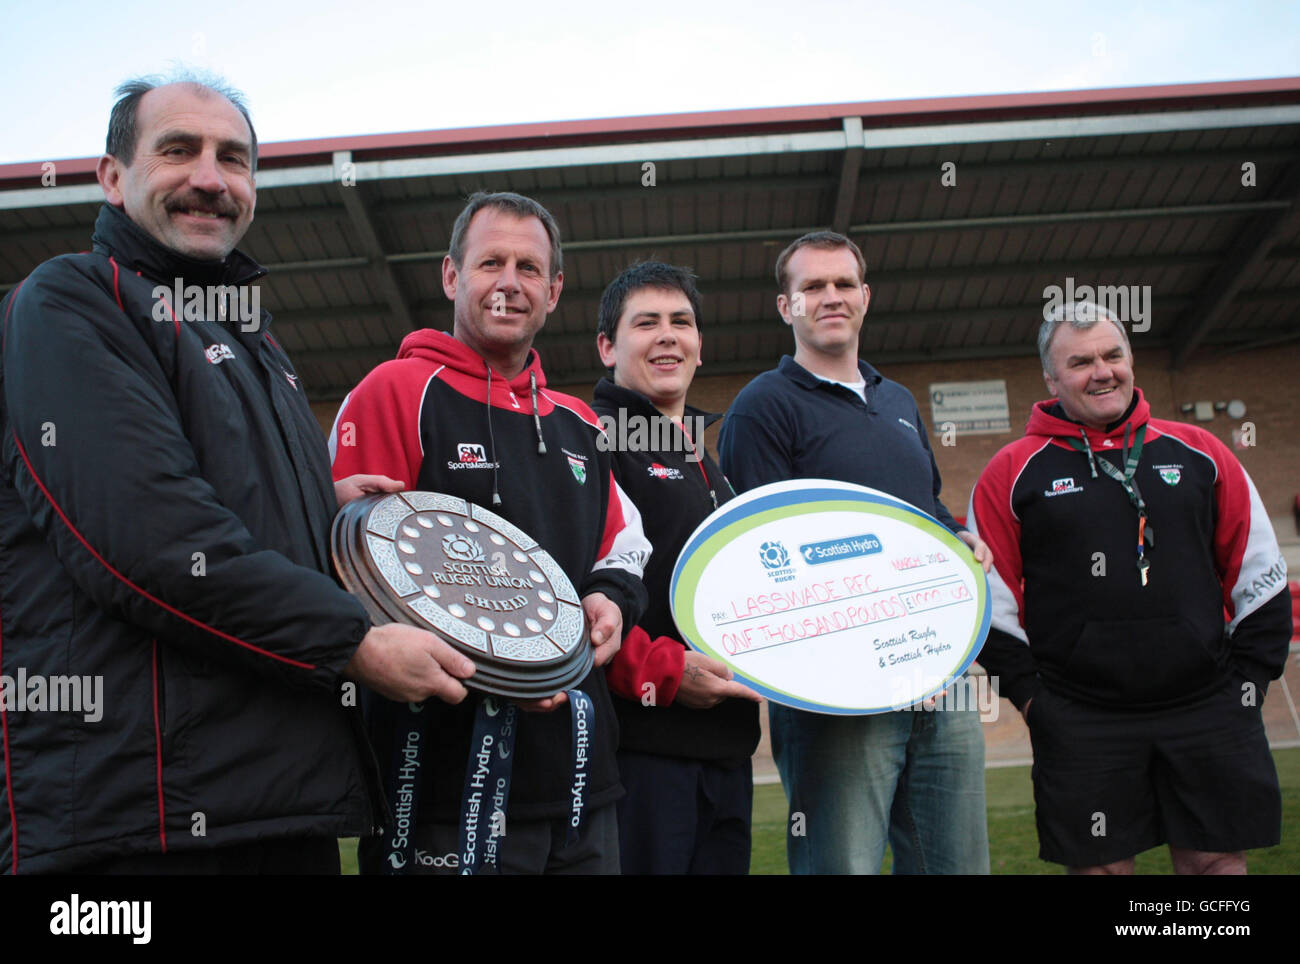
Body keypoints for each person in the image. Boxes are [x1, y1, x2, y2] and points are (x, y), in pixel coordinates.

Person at [0, 75, 474, 875]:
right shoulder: (72, 300)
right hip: (139, 818)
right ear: (113, 177)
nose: (211, 179)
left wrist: (326, 513)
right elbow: (151, 540)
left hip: (284, 800)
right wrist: (353, 641)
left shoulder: (259, 345)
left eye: (234, 159)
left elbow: (227, 511)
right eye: (178, 150)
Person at [329, 191, 650, 874]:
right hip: (441, 786)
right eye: (490, 263)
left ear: (555, 290)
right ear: (451, 276)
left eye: (529, 269)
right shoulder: (392, 391)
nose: (509, 284)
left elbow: (623, 544)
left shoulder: (580, 425)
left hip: (579, 785)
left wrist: (611, 600)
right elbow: (346, 561)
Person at [969, 301, 1290, 875]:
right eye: (1080, 362)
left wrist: (1246, 683)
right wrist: (1034, 700)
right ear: (1050, 378)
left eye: (1113, 355)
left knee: (1216, 865)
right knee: (1101, 869)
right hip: (1081, 716)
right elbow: (989, 599)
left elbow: (1259, 570)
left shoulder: (1200, 452)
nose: (1102, 371)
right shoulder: (1011, 471)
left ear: (1131, 360)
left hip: (1207, 704)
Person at [718, 230, 992, 875]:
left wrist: (957, 540)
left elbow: (924, 509)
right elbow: (756, 559)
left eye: (843, 283)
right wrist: (858, 662)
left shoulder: (896, 401)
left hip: (939, 678)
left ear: (865, 297)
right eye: (812, 286)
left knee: (958, 866)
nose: (830, 297)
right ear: (786, 306)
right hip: (837, 703)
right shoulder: (761, 407)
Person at [591, 262, 762, 874]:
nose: (668, 336)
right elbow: (569, 595)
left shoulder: (707, 462)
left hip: (727, 749)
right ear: (608, 347)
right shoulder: (589, 441)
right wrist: (661, 672)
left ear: (699, 346)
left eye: (681, 322)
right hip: (642, 751)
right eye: (647, 323)